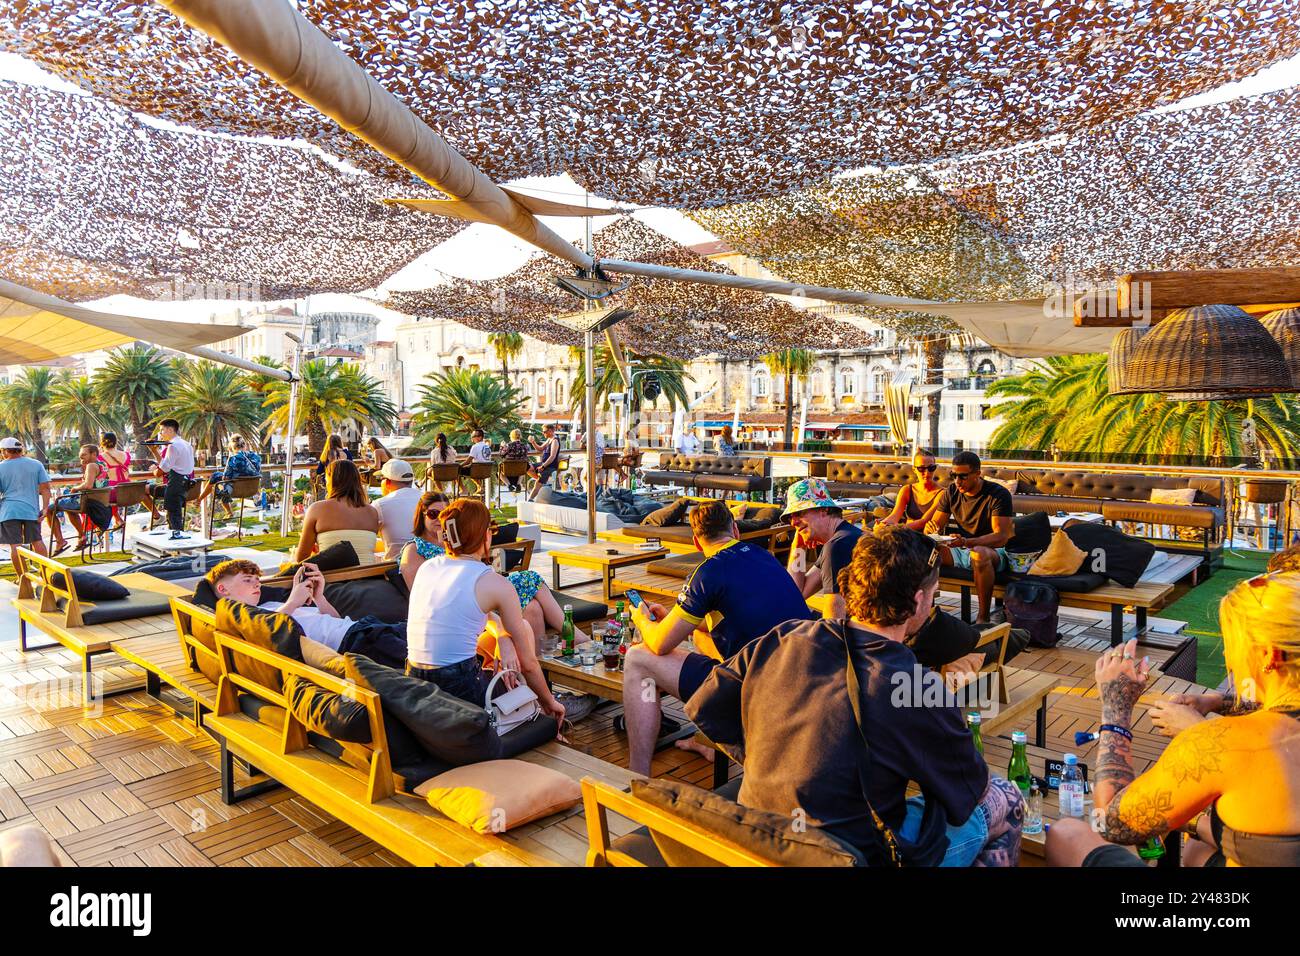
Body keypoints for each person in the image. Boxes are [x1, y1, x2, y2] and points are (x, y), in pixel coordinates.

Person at [687, 527, 1025, 866]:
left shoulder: (783, 637)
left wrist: (768, 758)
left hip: (760, 834)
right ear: (918, 600)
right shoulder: (914, 687)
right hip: (845, 855)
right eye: (933, 594)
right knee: (1006, 797)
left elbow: (706, 706)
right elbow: (969, 789)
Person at [1047, 573, 1300, 868]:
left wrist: (1116, 709)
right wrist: (1216, 702)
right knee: (1198, 849)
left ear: (1269, 655)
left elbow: (1110, 823)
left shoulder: (1220, 743)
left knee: (1067, 834)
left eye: (1233, 643)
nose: (1229, 655)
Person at [624, 499, 814, 776]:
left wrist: (641, 618)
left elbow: (659, 643)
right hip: (803, 679)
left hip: (760, 692)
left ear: (696, 542)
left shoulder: (708, 573)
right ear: (735, 530)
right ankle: (711, 742)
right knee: (701, 635)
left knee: (638, 658)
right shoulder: (764, 556)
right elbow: (737, 614)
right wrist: (672, 620)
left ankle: (636, 775)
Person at [405, 498, 567, 726]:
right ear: (486, 536)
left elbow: (472, 611)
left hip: (415, 680)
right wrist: (549, 702)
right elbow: (528, 664)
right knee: (525, 688)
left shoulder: (428, 567)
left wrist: (502, 636)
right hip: (459, 687)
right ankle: (547, 710)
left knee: (517, 634)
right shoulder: (491, 582)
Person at [206, 559, 405, 665]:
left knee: (416, 632)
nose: (257, 584)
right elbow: (270, 631)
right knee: (415, 659)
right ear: (223, 589)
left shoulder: (272, 605)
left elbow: (335, 619)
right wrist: (293, 601)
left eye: (257, 580)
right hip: (354, 641)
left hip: (362, 627)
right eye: (247, 580)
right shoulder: (247, 618)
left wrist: (319, 597)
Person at [927, 451, 1014, 627]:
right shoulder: (952, 491)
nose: (957, 481)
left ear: (977, 474)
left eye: (963, 476)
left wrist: (967, 542)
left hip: (994, 551)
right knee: (920, 550)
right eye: (954, 475)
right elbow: (934, 525)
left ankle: (983, 619)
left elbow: (1001, 537)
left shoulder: (998, 494)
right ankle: (922, 615)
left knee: (979, 554)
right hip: (961, 548)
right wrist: (932, 530)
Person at [783, 477, 863, 616]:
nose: (793, 522)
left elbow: (833, 620)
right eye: (790, 517)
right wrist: (798, 547)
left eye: (799, 513)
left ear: (824, 509)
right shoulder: (846, 537)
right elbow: (796, 595)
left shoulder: (837, 546)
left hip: (866, 628)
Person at [295, 459, 380, 564]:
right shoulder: (372, 512)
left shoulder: (316, 509)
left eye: (326, 479)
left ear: (331, 481)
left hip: (333, 574)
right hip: (369, 573)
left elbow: (301, 558)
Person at [0, 437, 51, 575]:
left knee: (15, 546)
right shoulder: (36, 464)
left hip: (9, 511)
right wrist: (45, 508)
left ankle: (23, 579)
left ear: (5, 451)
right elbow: (45, 489)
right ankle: (46, 575)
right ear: (20, 450)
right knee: (37, 541)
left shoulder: (1, 467)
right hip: (31, 510)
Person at [45, 444, 106, 556]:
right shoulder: (103, 465)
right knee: (69, 508)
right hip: (98, 501)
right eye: (80, 455)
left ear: (94, 454)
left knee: (49, 510)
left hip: (87, 502)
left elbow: (88, 485)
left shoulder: (91, 465)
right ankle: (82, 536)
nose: (81, 457)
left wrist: (75, 488)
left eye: (84, 455)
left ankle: (60, 541)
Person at [148, 419, 195, 539]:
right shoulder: (186, 444)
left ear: (170, 430)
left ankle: (177, 542)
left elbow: (163, 469)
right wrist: (155, 451)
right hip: (185, 482)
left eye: (162, 430)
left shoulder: (173, 446)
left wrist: (155, 470)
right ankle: (178, 540)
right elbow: (167, 465)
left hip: (176, 482)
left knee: (173, 515)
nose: (160, 433)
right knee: (175, 514)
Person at [878, 449, 946, 531]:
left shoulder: (942, 493)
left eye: (931, 468)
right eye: (921, 468)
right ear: (914, 469)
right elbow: (894, 516)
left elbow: (923, 522)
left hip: (925, 536)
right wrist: (883, 524)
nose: (927, 473)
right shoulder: (907, 490)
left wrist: (895, 528)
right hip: (906, 533)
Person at [197, 434, 261, 520]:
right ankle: (199, 500)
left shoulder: (233, 458)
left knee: (215, 476)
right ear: (244, 444)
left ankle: (201, 500)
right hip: (252, 489)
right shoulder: (255, 456)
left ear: (231, 447)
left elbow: (225, 478)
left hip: (237, 489)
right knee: (217, 476)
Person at [370, 458, 421, 560]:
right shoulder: (426, 498)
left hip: (396, 565)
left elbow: (368, 537)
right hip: (428, 560)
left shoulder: (379, 504)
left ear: (387, 482)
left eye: (380, 479)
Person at [527, 424, 560, 501]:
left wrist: (543, 466)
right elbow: (540, 448)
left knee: (537, 484)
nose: (543, 433)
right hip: (544, 464)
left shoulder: (555, 441)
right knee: (527, 467)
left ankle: (530, 500)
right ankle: (543, 482)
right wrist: (533, 442)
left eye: (544, 432)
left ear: (550, 431)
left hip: (550, 466)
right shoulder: (549, 439)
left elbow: (552, 456)